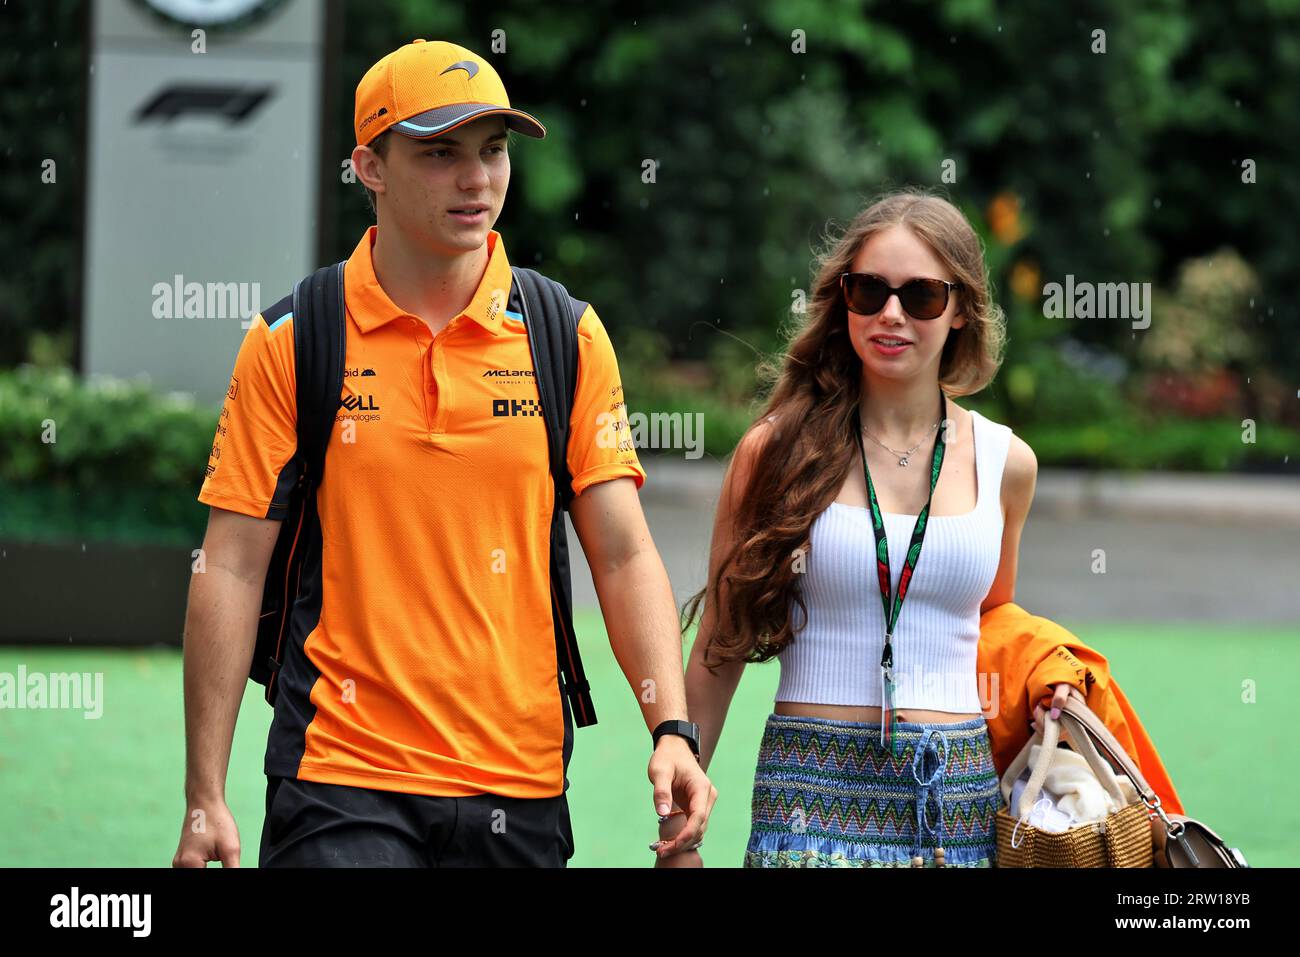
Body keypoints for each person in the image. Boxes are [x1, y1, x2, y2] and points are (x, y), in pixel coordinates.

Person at [171, 39, 715, 868]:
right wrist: (204, 791)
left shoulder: (564, 334)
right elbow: (232, 566)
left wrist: (671, 727)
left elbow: (624, 549)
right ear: (370, 166)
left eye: (493, 151)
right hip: (340, 777)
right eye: (440, 153)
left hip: (521, 784)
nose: (478, 179)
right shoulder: (294, 338)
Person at [677, 188, 1071, 867]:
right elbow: (719, 646)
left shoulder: (1008, 462)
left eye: (920, 296)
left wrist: (1046, 677)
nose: (892, 314)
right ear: (843, 302)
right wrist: (681, 828)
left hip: (955, 808)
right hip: (807, 796)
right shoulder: (775, 452)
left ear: (959, 312)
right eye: (869, 291)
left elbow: (994, 617)